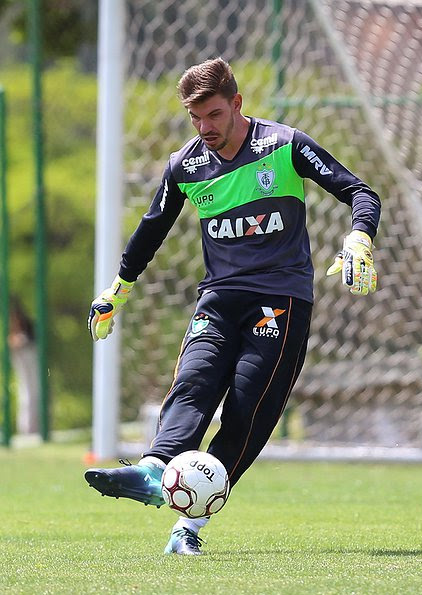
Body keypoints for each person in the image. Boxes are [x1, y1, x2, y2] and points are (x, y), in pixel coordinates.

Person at [84, 57, 380, 556]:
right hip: (219, 299)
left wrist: (359, 239)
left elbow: (359, 192)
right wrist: (118, 289)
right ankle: (154, 469)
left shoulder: (284, 146)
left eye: (214, 115)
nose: (205, 129)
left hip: (279, 301)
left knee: (246, 413)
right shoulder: (187, 165)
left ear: (237, 104)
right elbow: (151, 229)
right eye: (195, 119)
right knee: (193, 382)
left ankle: (188, 529)